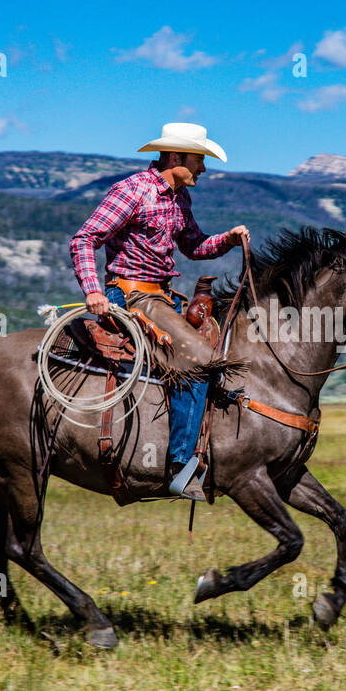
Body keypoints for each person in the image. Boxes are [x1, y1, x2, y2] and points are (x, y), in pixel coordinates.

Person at [69, 122, 249, 501]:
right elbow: (85, 238)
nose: (203, 169)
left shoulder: (180, 199)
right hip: (131, 296)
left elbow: (194, 247)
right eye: (199, 160)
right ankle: (181, 466)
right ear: (175, 157)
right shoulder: (132, 191)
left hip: (163, 297)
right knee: (199, 361)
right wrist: (93, 292)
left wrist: (227, 241)